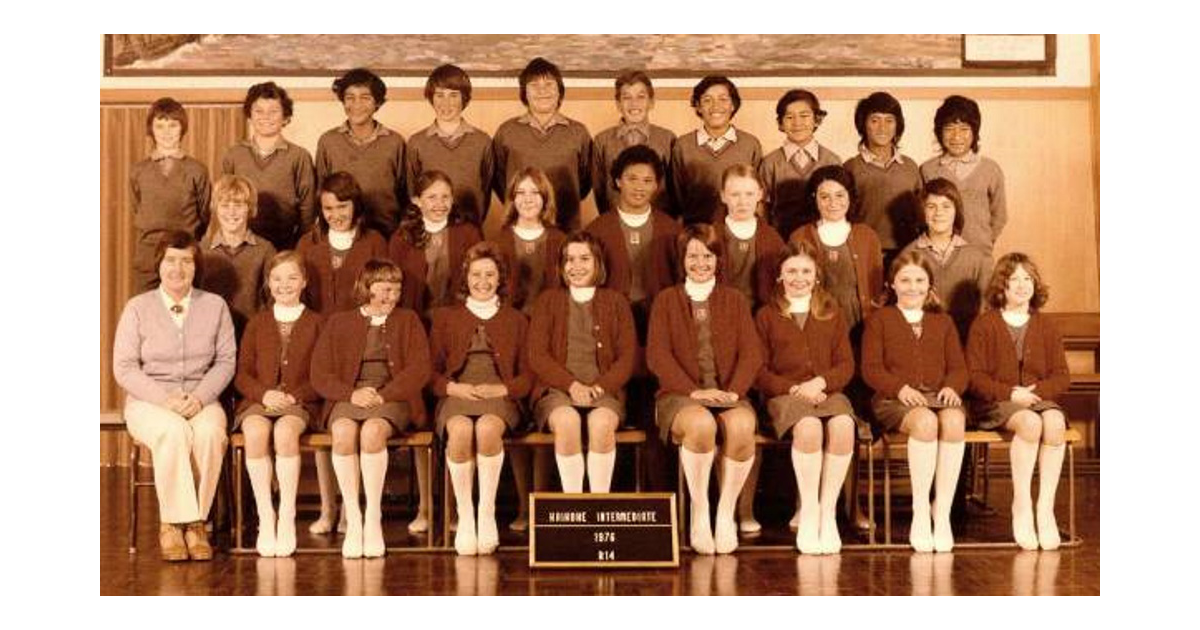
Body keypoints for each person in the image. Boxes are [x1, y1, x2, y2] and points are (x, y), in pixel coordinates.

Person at [112, 230, 235, 562]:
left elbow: (225, 362)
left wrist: (199, 397)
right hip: (149, 402)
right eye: (170, 260)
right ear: (159, 265)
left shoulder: (215, 306)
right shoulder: (137, 307)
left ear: (196, 267)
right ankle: (172, 525)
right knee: (173, 430)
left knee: (210, 433)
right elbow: (124, 367)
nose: (178, 268)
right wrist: (164, 400)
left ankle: (195, 524)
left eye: (186, 261)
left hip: (202, 397)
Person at [647, 224, 763, 554]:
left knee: (742, 425)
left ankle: (724, 513)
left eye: (708, 255)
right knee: (701, 424)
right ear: (682, 259)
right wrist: (692, 392)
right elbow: (657, 355)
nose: (701, 262)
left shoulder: (734, 299)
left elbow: (751, 353)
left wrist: (734, 392)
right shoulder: (666, 300)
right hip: (679, 395)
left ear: (719, 259)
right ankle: (700, 511)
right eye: (693, 255)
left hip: (729, 393)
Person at [310, 260, 432, 558]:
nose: (392, 295)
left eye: (397, 289)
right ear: (367, 288)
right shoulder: (339, 322)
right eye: (385, 289)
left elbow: (419, 369)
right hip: (350, 398)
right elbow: (319, 373)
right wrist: (351, 394)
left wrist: (383, 395)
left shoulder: (408, 319)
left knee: (373, 433)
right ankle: (353, 518)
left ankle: (373, 518)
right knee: (342, 432)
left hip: (393, 398)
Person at [861, 251, 968, 553]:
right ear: (891, 284)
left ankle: (941, 511)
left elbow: (959, 368)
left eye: (920, 280)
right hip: (894, 398)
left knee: (955, 420)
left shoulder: (943, 321)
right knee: (925, 421)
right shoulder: (879, 319)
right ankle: (921, 511)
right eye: (905, 280)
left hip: (937, 395)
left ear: (930, 285)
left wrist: (952, 387)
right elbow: (870, 369)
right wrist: (899, 387)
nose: (912, 287)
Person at [429, 242, 532, 555]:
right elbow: (430, 373)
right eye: (476, 274)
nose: (483, 281)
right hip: (459, 394)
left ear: (500, 278)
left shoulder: (516, 319)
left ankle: (485, 514)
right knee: (459, 432)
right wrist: (453, 388)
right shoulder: (446, 318)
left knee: (487, 429)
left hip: (499, 396)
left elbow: (529, 375)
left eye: (490, 274)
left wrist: (503, 389)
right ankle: (465, 515)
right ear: (466, 277)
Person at [754, 241, 856, 554]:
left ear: (817, 276)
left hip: (826, 390)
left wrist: (821, 382)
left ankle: (827, 511)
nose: (799, 277)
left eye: (806, 271)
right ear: (779, 277)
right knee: (809, 428)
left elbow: (846, 363)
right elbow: (758, 370)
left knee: (843, 426)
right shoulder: (767, 315)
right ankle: (809, 509)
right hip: (786, 395)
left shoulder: (831, 311)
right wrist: (792, 389)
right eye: (792, 271)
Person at [967, 253, 1069, 550]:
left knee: (1053, 420)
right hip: (995, 401)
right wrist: (1011, 393)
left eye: (1028, 279)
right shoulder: (984, 325)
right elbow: (974, 377)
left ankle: (1045, 509)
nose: (1022, 285)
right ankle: (1022, 505)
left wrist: (1037, 392)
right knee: (1030, 422)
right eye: (1015, 279)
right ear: (1002, 286)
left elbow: (1062, 376)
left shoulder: (1046, 326)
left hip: (1036, 398)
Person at [529, 233, 637, 494]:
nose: (576, 266)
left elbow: (628, 357)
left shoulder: (616, 302)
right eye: (569, 259)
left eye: (584, 259)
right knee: (567, 422)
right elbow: (537, 355)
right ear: (561, 265)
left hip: (604, 392)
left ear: (598, 263)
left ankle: (597, 503)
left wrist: (600, 388)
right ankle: (574, 503)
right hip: (557, 392)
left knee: (601, 425)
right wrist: (571, 385)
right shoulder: (548, 301)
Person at [233, 251, 323, 557]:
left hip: (299, 402)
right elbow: (241, 373)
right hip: (260, 400)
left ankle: (286, 515)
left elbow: (324, 374)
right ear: (268, 284)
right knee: (256, 433)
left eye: (292, 278)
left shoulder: (317, 323)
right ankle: (265, 516)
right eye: (277, 278)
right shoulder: (257, 323)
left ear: (304, 282)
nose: (285, 284)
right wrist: (263, 394)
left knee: (285, 434)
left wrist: (295, 396)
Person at [492, 57, 593, 232]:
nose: (542, 91)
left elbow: (585, 182)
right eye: (534, 86)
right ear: (524, 93)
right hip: (519, 227)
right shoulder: (506, 132)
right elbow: (499, 179)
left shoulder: (579, 132)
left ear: (559, 91)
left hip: (566, 228)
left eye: (549, 85)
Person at [788, 165, 885, 334]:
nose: (833, 203)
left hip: (859, 322)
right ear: (814, 199)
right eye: (825, 197)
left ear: (850, 196)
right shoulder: (799, 237)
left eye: (840, 195)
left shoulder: (867, 236)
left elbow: (876, 288)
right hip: (816, 323)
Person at [129, 97, 212, 292]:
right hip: (148, 256)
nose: (166, 132)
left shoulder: (196, 170)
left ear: (182, 128)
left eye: (173, 125)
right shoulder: (139, 170)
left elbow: (204, 214)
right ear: (151, 130)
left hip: (183, 253)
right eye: (160, 126)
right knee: (147, 311)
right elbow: (136, 208)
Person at [222, 81, 316, 250]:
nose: (265, 117)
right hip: (241, 244)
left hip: (285, 245)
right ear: (249, 115)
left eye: (273, 111)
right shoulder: (234, 155)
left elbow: (307, 209)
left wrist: (300, 246)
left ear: (285, 117)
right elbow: (223, 201)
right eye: (259, 111)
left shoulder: (299, 157)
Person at [315, 68, 407, 238]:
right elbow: (321, 193)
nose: (357, 104)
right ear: (342, 101)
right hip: (342, 235)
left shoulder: (395, 142)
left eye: (365, 98)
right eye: (350, 98)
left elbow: (405, 194)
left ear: (377, 103)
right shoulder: (328, 142)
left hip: (388, 233)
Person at [898, 178, 992, 341]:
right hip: (922, 344)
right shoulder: (907, 255)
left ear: (957, 211)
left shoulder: (977, 259)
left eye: (946, 206)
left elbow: (986, 313)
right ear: (922, 212)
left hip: (967, 344)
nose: (938, 213)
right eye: (931, 207)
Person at [406, 64, 494, 226]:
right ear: (431, 98)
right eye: (440, 95)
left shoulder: (483, 141)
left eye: (454, 95)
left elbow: (486, 188)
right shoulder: (416, 143)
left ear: (464, 99)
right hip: (429, 229)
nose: (446, 103)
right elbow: (412, 191)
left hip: (471, 228)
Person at [389, 170, 483, 321]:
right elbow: (393, 285)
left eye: (445, 197)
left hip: (458, 316)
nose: (440, 204)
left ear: (452, 199)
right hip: (416, 318)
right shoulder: (401, 239)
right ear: (417, 201)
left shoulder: (469, 234)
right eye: (432, 197)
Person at [920, 95, 1007, 256]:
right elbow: (922, 215)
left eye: (964, 129)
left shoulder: (990, 169)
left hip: (980, 252)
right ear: (939, 133)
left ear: (975, 132)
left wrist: (984, 241)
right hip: (938, 254)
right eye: (949, 129)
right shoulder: (928, 170)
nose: (956, 136)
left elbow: (1000, 215)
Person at [669, 76, 762, 225]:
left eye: (723, 99)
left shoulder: (750, 144)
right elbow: (677, 194)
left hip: (739, 228)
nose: (715, 106)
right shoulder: (683, 145)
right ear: (698, 106)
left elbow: (757, 195)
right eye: (707, 100)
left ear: (733, 105)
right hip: (696, 229)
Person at [843, 91, 921, 264]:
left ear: (897, 126)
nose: (882, 128)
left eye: (889, 121)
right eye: (875, 120)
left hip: (906, 253)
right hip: (863, 252)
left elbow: (921, 215)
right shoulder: (850, 168)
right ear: (863, 124)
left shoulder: (910, 167)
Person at [758, 89, 841, 240]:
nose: (797, 123)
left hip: (823, 239)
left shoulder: (832, 161)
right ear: (781, 123)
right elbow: (762, 208)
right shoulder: (770, 163)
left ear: (816, 119)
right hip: (781, 239)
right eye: (789, 117)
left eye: (804, 116)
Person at [590, 69, 675, 215]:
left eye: (641, 97)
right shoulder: (602, 141)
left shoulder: (667, 139)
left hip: (658, 221)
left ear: (651, 102)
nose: (634, 104)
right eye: (626, 97)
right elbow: (599, 189)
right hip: (615, 220)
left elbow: (673, 188)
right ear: (618, 104)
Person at [199, 174, 276, 334]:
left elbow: (273, 299)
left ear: (250, 208)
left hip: (254, 333)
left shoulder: (265, 250)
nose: (231, 212)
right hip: (210, 334)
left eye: (238, 205)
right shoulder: (202, 249)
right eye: (225, 205)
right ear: (215, 208)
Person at [495, 168, 567, 316]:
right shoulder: (499, 241)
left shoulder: (560, 240)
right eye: (520, 193)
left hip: (551, 321)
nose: (528, 199)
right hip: (511, 323)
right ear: (512, 199)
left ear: (545, 198)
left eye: (535, 192)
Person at [716, 164, 786, 308]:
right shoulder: (711, 236)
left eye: (749, 194)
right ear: (723, 196)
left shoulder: (773, 238)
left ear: (760, 194)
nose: (742, 202)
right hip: (723, 310)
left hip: (761, 314)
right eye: (735, 194)